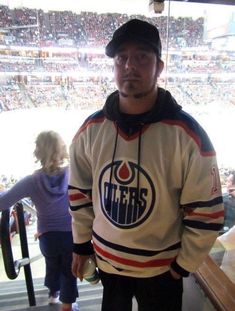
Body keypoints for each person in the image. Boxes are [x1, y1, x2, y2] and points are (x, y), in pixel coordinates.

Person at [68, 19, 224, 311]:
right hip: (108, 267)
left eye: (141, 56)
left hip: (162, 273)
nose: (130, 65)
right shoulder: (91, 130)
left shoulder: (188, 136)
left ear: (159, 67)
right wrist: (80, 245)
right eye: (121, 58)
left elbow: (207, 212)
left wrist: (181, 267)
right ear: (114, 66)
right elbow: (79, 195)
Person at [0, 131, 79, 311]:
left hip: (47, 238)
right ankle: (68, 304)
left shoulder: (31, 181)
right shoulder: (74, 173)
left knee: (52, 265)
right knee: (69, 271)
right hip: (71, 235)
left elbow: (3, 202)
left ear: (37, 153)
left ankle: (53, 294)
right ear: (63, 150)